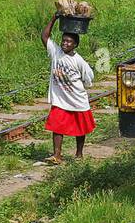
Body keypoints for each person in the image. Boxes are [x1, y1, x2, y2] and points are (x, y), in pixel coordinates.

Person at [40, 10, 96, 164]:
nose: (65, 43)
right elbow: (44, 36)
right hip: (60, 99)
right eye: (64, 40)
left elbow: (89, 78)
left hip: (77, 99)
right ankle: (57, 155)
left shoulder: (79, 61)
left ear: (75, 45)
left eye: (69, 42)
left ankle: (79, 154)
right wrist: (54, 19)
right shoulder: (56, 53)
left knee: (80, 127)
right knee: (57, 126)